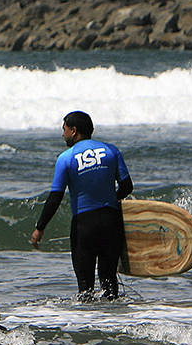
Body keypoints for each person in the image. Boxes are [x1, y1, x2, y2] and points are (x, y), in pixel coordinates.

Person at [30, 110, 133, 300]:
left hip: (84, 225)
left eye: (64, 129)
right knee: (109, 282)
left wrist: (40, 228)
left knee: (85, 287)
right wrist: (110, 199)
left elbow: (55, 197)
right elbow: (127, 186)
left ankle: (87, 325)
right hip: (111, 222)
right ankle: (113, 324)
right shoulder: (111, 150)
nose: (63, 134)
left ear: (74, 131)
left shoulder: (66, 158)